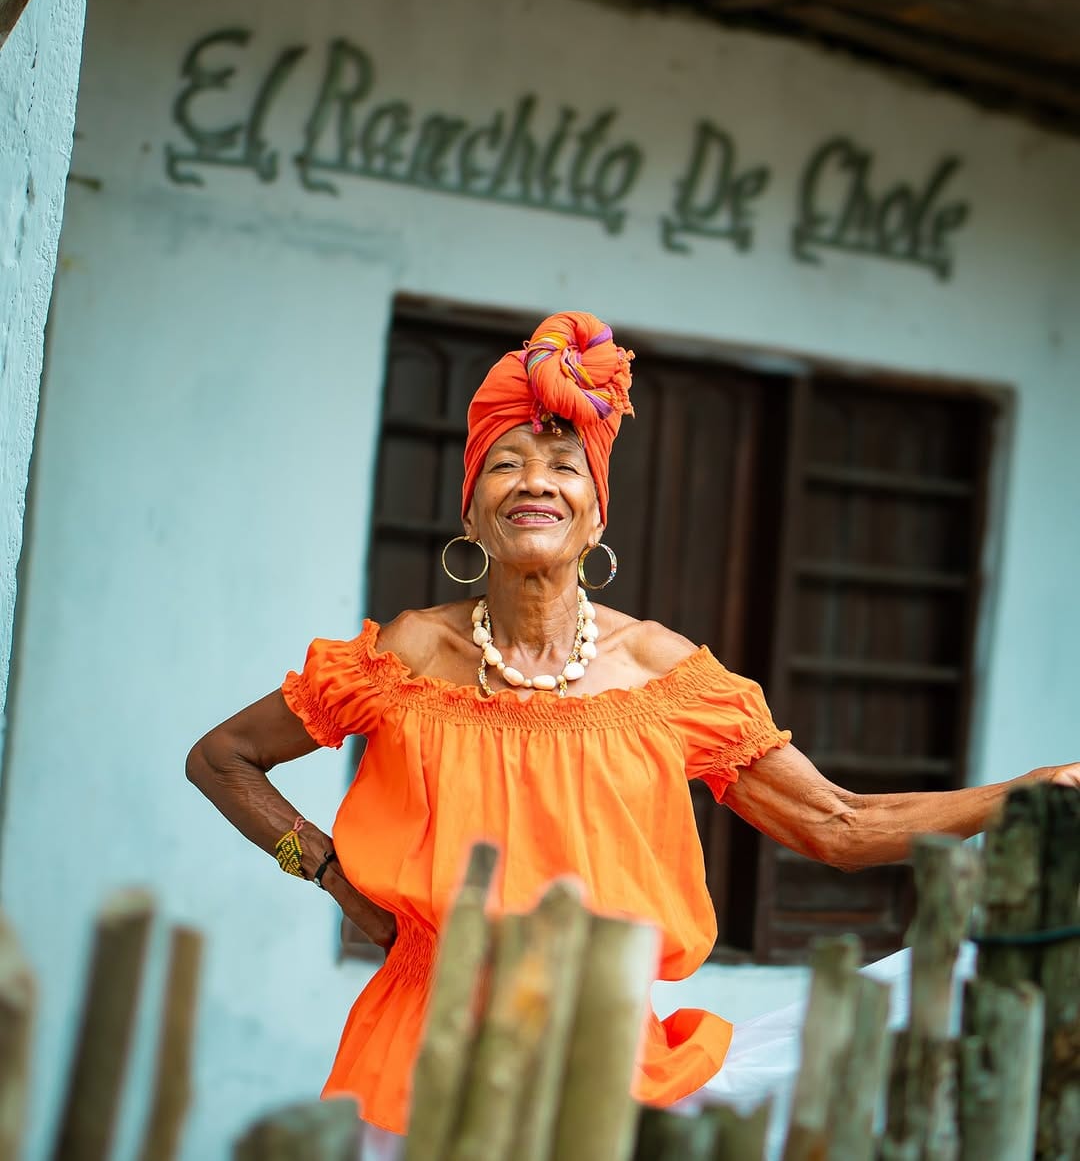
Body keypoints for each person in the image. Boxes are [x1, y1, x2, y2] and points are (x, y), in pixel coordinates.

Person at [186, 310, 1079, 1141]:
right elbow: (222, 760)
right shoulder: (409, 654)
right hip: (416, 1056)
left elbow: (836, 826)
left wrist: (1020, 796)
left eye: (564, 465)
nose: (534, 482)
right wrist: (337, 878)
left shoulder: (665, 674)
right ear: (471, 509)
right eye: (505, 463)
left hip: (606, 1056)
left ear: (596, 514)